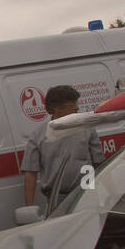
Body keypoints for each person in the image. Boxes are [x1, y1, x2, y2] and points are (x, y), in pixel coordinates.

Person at [21, 85, 103, 213]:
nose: (77, 108)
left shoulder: (87, 128)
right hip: (57, 199)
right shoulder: (39, 136)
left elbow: (101, 165)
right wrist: (29, 209)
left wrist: (111, 194)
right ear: (57, 109)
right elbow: (30, 174)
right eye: (72, 105)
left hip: (86, 194)